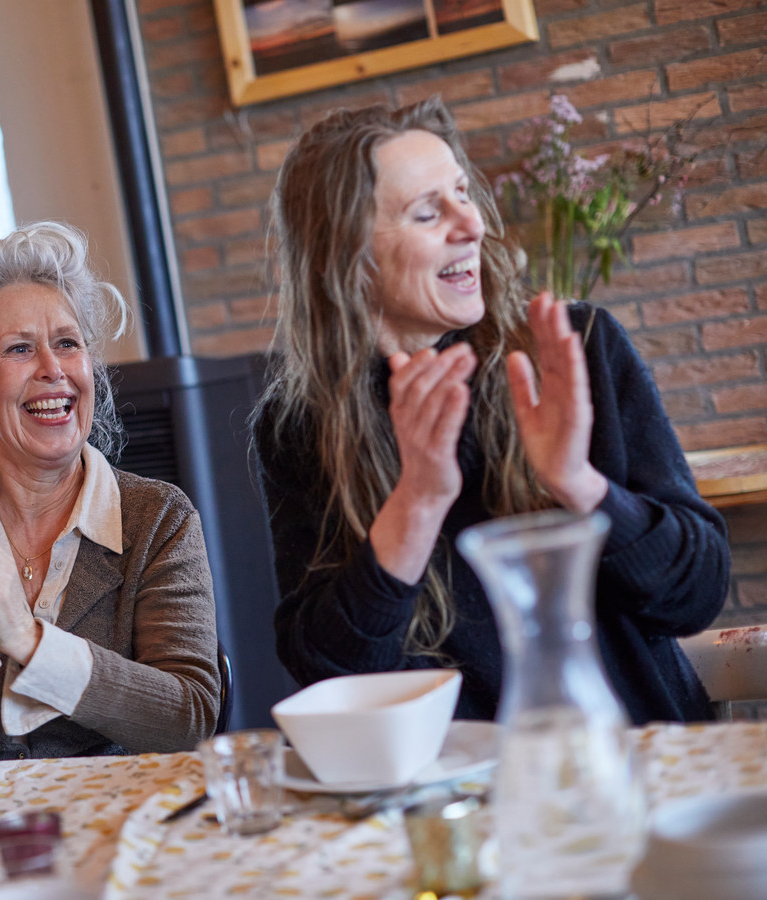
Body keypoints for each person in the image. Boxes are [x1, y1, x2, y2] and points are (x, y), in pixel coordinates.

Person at [253, 97, 729, 725]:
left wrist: (579, 483)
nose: (471, 225)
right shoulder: (299, 424)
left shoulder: (576, 349)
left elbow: (696, 595)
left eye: (462, 194)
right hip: (453, 795)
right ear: (348, 260)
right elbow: (330, 676)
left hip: (637, 754)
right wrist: (417, 502)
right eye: (428, 212)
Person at [0, 221, 220, 762]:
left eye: (67, 344)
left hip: (119, 819)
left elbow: (189, 721)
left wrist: (30, 640)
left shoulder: (156, 517)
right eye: (19, 349)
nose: (53, 369)